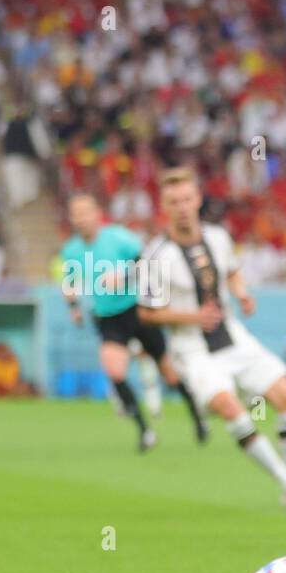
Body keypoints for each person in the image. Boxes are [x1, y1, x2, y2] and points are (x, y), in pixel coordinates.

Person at [137, 168, 286, 510]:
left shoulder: (217, 237)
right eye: (173, 202)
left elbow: (232, 271)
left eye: (186, 199)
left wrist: (242, 294)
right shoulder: (157, 255)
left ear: (197, 200)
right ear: (163, 206)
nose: (182, 207)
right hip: (193, 348)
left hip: (234, 337)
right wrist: (192, 317)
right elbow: (148, 312)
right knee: (230, 407)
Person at [59, 192, 208, 451]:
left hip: (137, 311)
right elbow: (70, 283)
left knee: (169, 374)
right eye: (76, 214)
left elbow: (147, 265)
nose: (81, 218)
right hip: (107, 318)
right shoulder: (71, 250)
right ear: (71, 219)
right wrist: (73, 307)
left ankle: (197, 414)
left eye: (86, 212)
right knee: (115, 372)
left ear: (97, 214)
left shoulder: (118, 238)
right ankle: (144, 430)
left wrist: (123, 277)